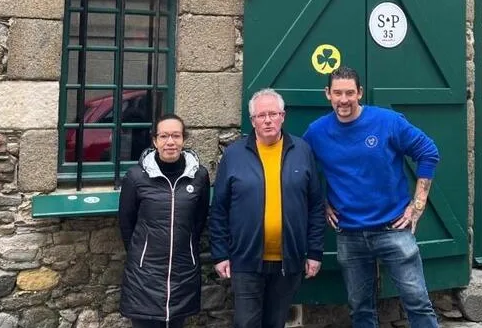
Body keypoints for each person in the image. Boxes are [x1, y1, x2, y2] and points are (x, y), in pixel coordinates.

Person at [303, 67, 441, 328]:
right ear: (327, 94)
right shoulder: (317, 132)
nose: (344, 99)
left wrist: (417, 205)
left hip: (393, 230)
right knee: (360, 309)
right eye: (337, 93)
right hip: (349, 234)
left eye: (350, 93)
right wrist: (321, 202)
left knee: (417, 302)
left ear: (360, 93)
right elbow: (301, 170)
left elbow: (428, 151)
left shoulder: (388, 121)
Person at [209, 88, 325, 328]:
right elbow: (219, 209)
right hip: (245, 259)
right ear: (253, 121)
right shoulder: (234, 154)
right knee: (246, 323)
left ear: (283, 116)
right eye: (261, 115)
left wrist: (314, 252)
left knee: (276, 322)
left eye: (273, 114)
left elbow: (315, 206)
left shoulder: (302, 151)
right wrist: (220, 254)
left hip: (288, 260)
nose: (268, 120)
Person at [117, 113, 210, 328]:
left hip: (182, 272)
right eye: (164, 136)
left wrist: (186, 248)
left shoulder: (199, 176)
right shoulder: (136, 177)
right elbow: (126, 222)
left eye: (176, 136)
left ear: (183, 139)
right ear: (154, 140)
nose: (170, 142)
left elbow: (199, 220)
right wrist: (141, 254)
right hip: (144, 274)